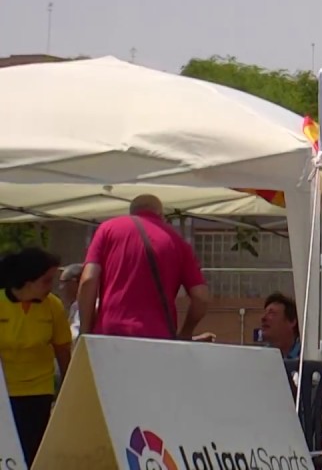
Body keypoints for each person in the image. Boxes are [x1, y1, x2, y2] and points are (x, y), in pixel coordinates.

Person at [77, 194, 213, 341]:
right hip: (159, 337)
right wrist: (186, 333)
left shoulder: (107, 229)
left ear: (132, 212)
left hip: (110, 333)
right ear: (160, 215)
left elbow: (88, 280)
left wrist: (85, 330)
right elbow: (201, 297)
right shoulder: (177, 242)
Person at [0, 248, 72, 464]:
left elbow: (62, 350)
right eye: (46, 281)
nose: (51, 287)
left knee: (33, 451)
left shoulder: (54, 306)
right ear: (28, 280)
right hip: (5, 390)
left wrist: (68, 390)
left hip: (39, 390)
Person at [261, 292, 301, 360]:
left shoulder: (309, 356)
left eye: (271, 313)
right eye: (265, 312)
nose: (263, 318)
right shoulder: (260, 358)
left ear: (292, 321)